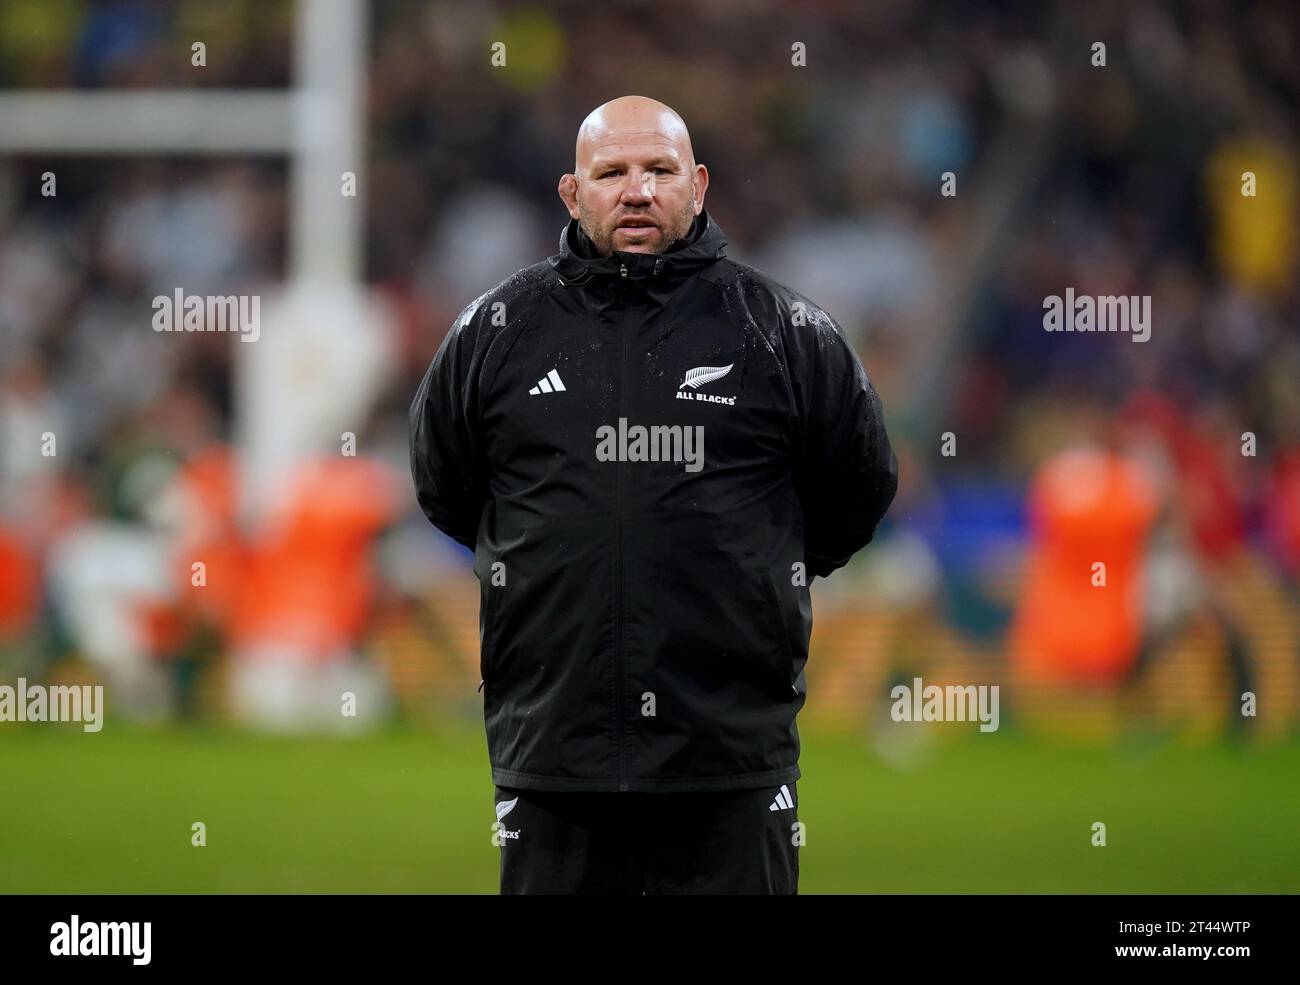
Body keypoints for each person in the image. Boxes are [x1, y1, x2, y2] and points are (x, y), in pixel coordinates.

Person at [409, 95, 898, 893]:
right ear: (573, 192)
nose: (637, 191)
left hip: (730, 755)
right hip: (555, 751)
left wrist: (759, 564)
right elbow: (446, 485)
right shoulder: (496, 330)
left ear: (697, 186)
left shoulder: (783, 330)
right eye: (612, 172)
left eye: (659, 171)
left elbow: (860, 485)